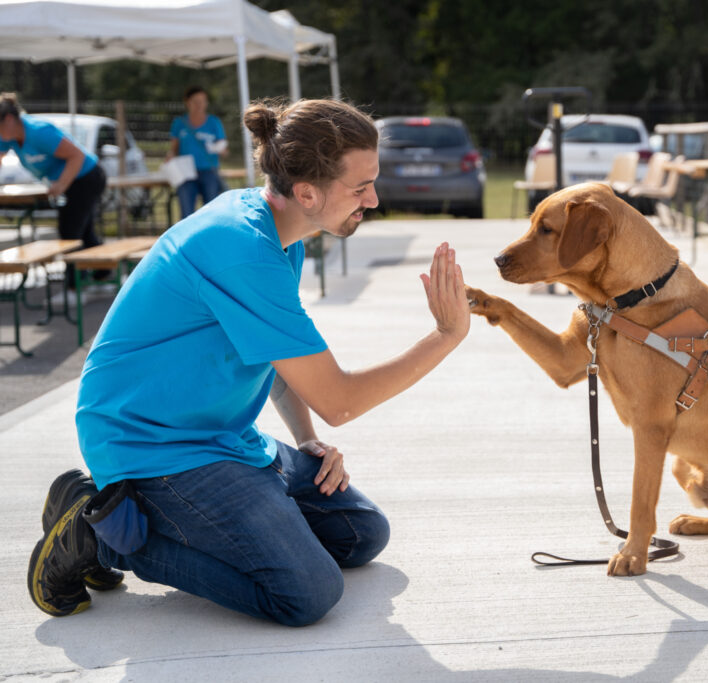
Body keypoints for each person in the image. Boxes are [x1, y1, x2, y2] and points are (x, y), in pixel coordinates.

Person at [27, 98, 471, 626]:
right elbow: (341, 401)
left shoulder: (283, 232)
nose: (373, 200)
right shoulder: (241, 248)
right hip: (154, 447)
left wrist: (305, 440)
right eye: (361, 187)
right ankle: (101, 536)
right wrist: (446, 335)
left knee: (360, 533)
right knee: (306, 592)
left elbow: (276, 356)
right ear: (306, 191)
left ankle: (175, 519)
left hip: (220, 437)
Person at [0, 92, 107, 280]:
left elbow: (77, 156)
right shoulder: (7, 136)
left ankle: (75, 285)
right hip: (72, 182)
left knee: (69, 232)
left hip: (86, 178)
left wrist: (61, 185)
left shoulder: (39, 131)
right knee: (84, 232)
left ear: (8, 119)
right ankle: (102, 274)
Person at [167, 86, 228, 218]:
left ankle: (211, 238)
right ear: (187, 102)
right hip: (186, 173)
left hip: (209, 171)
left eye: (203, 101)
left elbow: (224, 150)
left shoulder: (214, 122)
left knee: (212, 211)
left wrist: (218, 148)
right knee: (187, 212)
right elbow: (173, 149)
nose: (200, 105)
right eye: (196, 101)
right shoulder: (179, 123)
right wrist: (170, 158)